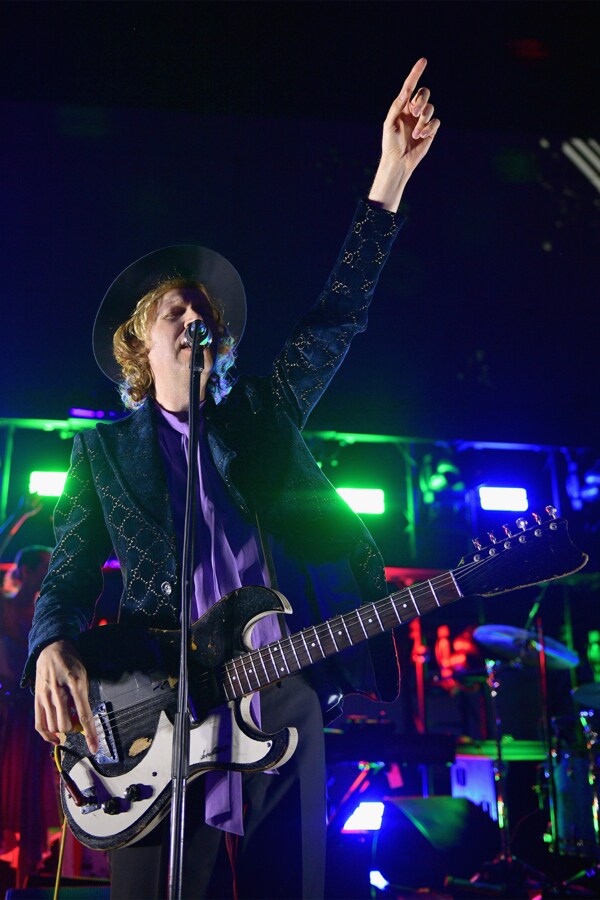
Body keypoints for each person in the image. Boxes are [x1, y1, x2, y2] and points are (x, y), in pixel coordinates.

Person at [24, 59, 440, 899]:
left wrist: (389, 176)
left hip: (277, 688)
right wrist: (48, 645)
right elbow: (67, 575)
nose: (194, 315)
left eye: (202, 309)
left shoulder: (262, 414)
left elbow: (336, 318)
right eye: (175, 309)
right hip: (156, 712)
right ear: (141, 343)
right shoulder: (101, 458)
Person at [1, 545, 59, 888]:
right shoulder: (5, 606)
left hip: (27, 715)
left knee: (28, 796)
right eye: (46, 566)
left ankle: (24, 879)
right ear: (29, 570)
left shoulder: (43, 613)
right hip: (6, 715)